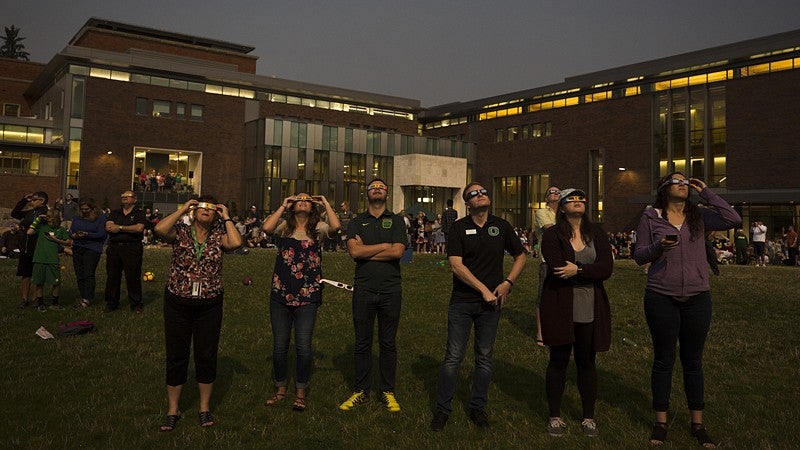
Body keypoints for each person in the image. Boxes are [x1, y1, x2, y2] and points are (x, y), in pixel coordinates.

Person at [634, 172, 740, 448]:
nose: (682, 184)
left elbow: (733, 219)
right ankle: (660, 423)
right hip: (661, 296)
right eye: (676, 181)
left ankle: (697, 424)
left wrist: (707, 193)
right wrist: (659, 246)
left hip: (697, 297)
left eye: (685, 182)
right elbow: (639, 255)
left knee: (693, 362)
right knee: (663, 360)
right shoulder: (650, 217)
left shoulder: (699, 215)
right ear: (664, 188)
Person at [430, 182, 526, 431]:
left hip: (492, 304)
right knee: (453, 357)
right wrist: (483, 290)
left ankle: (477, 408)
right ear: (467, 202)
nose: (481, 195)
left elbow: (521, 256)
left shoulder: (501, 226)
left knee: (484, 358)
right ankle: (443, 409)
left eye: (484, 191)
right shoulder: (460, 228)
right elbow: (456, 265)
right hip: (462, 303)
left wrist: (508, 282)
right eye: (474, 193)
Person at [154, 196, 242, 431]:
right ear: (194, 211)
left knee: (206, 354)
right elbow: (160, 230)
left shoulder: (218, 236)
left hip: (209, 304)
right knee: (176, 354)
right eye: (202, 207)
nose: (206, 211)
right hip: (177, 302)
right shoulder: (181, 231)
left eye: (212, 209)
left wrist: (227, 216)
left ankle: (204, 408)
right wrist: (183, 208)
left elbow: (235, 243)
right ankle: (173, 409)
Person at [538, 189, 613, 438]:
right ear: (561, 207)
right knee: (558, 361)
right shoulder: (552, 235)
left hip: (590, 306)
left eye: (582, 199)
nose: (578, 202)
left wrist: (579, 270)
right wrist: (587, 270)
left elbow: (606, 268)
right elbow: (559, 268)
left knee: (587, 362)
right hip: (560, 304)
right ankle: (555, 416)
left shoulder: (597, 233)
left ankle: (588, 417)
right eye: (572, 199)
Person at [262, 193, 340, 412]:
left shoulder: (319, 229)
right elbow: (266, 229)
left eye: (307, 200)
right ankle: (280, 389)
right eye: (299, 200)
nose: (304, 201)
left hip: (308, 295)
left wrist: (325, 202)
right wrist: (282, 204)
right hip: (280, 295)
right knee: (280, 346)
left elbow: (336, 227)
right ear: (293, 206)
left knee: (304, 346)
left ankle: (300, 392)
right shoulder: (284, 227)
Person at [339, 178, 407, 413]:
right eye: (372, 187)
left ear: (387, 194)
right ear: (367, 194)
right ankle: (361, 390)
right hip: (364, 289)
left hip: (390, 290)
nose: (377, 189)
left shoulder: (396, 220)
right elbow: (353, 252)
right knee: (362, 343)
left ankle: (387, 391)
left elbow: (398, 252)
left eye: (381, 187)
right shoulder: (357, 221)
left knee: (388, 343)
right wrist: (384, 246)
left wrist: (366, 250)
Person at [104, 190, 148, 314]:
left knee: (133, 276)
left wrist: (120, 227)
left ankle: (136, 304)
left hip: (132, 248)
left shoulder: (139, 213)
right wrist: (128, 228)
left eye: (128, 196)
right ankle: (111, 303)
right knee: (113, 276)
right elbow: (109, 227)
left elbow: (139, 228)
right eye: (123, 196)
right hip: (114, 247)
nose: (124, 198)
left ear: (135, 199)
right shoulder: (115, 212)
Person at [27, 209, 72, 311]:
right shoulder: (42, 227)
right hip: (39, 258)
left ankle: (55, 303)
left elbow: (68, 242)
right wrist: (38, 219)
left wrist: (56, 240)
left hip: (53, 259)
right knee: (39, 282)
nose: (52, 223)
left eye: (54, 221)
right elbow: (29, 232)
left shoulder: (61, 230)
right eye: (50, 220)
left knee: (56, 282)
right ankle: (40, 303)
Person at [11, 192, 50, 308]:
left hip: (38, 245)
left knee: (36, 273)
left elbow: (35, 224)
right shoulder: (30, 212)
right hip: (25, 245)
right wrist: (24, 200)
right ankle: (24, 298)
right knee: (25, 273)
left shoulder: (45, 213)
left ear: (41, 201)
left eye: (34, 200)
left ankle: (36, 298)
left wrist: (25, 224)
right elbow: (15, 213)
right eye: (31, 200)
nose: (31, 202)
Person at [534, 186, 561, 346]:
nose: (556, 193)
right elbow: (550, 230)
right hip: (547, 260)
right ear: (546, 197)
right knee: (543, 296)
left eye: (558, 191)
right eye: (552, 192)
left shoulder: (563, 214)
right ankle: (540, 332)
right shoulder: (542, 213)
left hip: (565, 259)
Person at [69, 199, 108, 308]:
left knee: (88, 273)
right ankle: (83, 295)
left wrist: (87, 234)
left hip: (92, 248)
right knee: (79, 273)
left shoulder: (100, 219)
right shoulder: (77, 218)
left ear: (92, 209)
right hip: (78, 246)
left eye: (87, 209)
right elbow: (71, 230)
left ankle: (88, 298)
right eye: (83, 209)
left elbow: (102, 235)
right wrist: (74, 236)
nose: (85, 211)